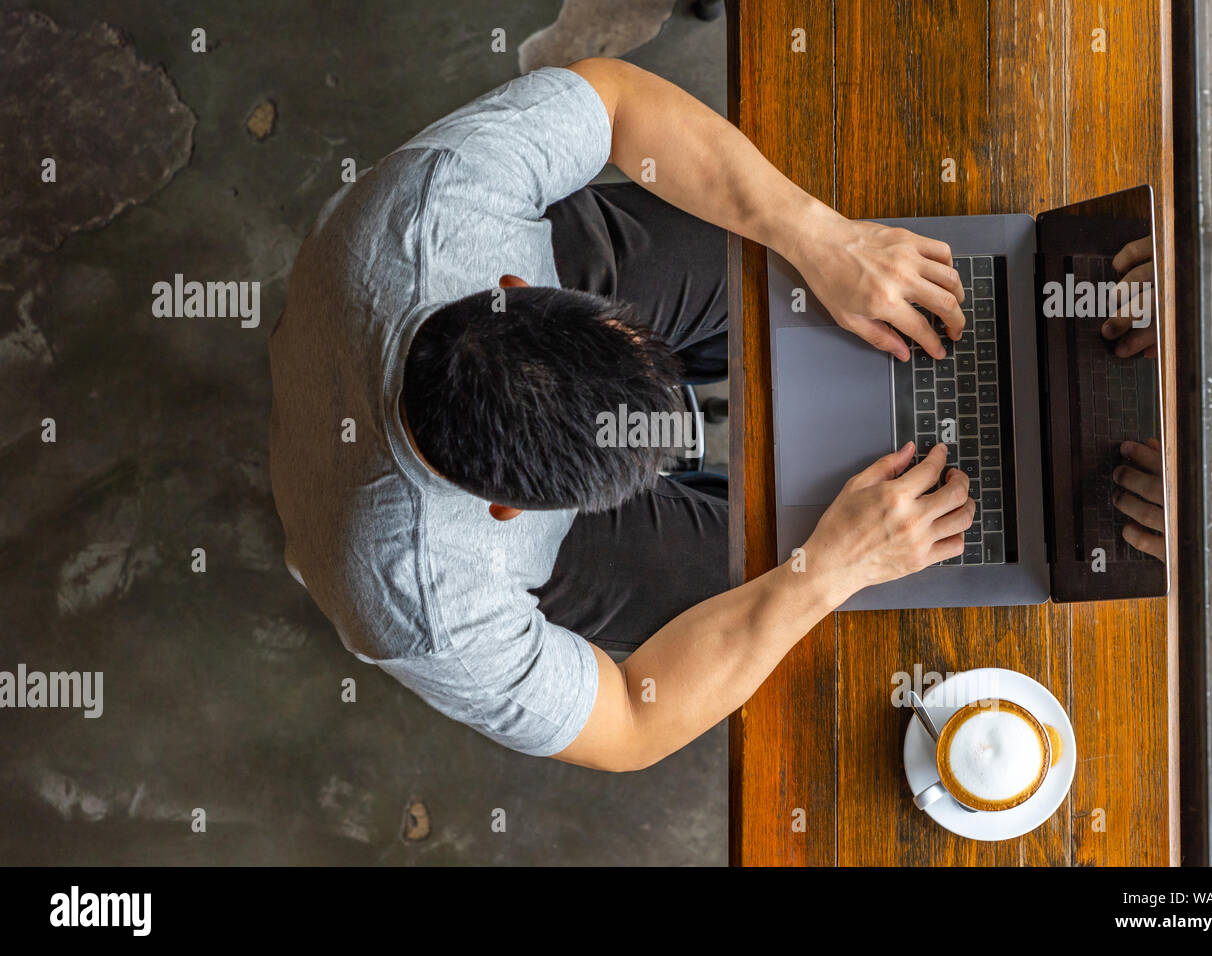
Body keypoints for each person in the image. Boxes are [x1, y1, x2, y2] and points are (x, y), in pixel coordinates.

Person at [268, 58, 974, 772]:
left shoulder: (448, 199)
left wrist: (818, 235)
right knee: (770, 566)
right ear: (510, 511)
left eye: (624, 336)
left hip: (378, 313)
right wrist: (824, 571)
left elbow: (616, 102)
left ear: (517, 284)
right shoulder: (433, 604)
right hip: (363, 498)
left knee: (775, 261)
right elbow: (632, 721)